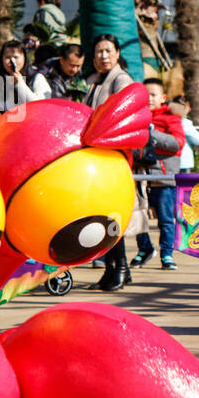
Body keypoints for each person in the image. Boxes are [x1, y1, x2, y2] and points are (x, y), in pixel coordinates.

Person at [85, 36, 137, 291]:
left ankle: (122, 268)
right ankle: (112, 269)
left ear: (117, 53)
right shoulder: (93, 81)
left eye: (108, 51)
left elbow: (121, 116)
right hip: (97, 158)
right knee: (104, 216)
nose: (103, 56)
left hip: (113, 157)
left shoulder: (121, 79)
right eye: (99, 51)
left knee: (113, 215)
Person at [131, 80, 185, 271]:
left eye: (153, 95)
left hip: (163, 178)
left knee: (165, 219)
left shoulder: (171, 118)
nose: (149, 99)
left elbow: (178, 143)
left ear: (163, 98)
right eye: (146, 96)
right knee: (139, 217)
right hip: (141, 178)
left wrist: (152, 135)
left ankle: (167, 254)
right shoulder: (136, 118)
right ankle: (144, 249)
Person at [0, 41, 51, 126]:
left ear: (24, 57)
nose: (12, 61)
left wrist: (19, 84)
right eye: (7, 57)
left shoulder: (36, 78)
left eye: (16, 57)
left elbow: (41, 107)